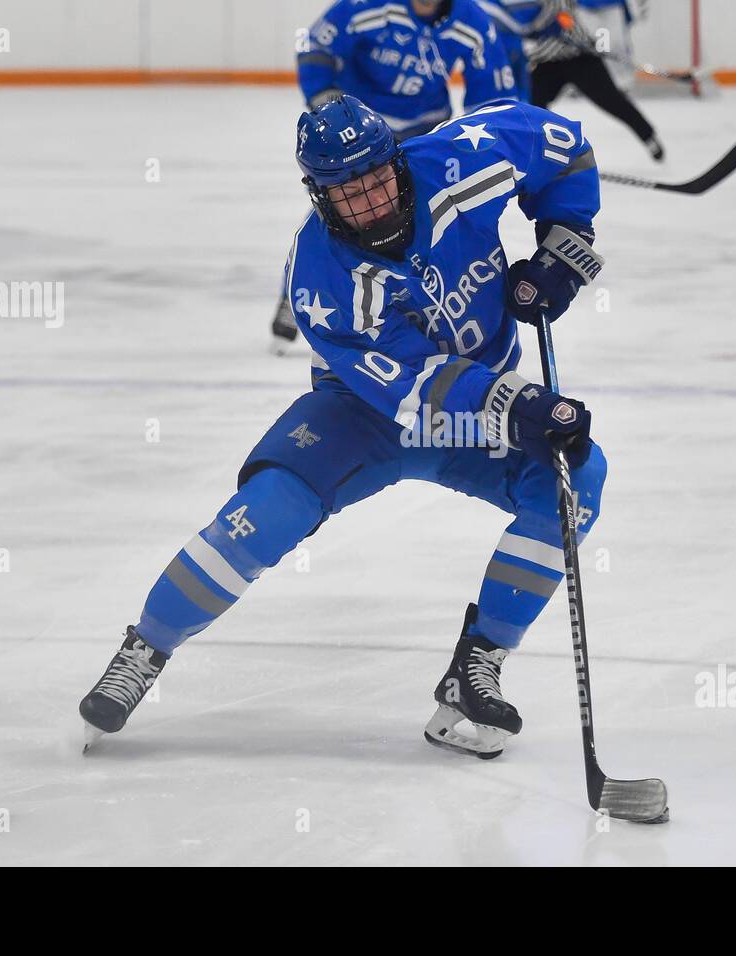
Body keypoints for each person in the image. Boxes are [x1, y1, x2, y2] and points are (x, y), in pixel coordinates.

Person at [81, 94, 608, 760]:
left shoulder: (460, 159)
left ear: (396, 159)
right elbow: (418, 386)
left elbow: (562, 145)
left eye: (378, 181)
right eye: (348, 194)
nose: (372, 203)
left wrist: (565, 241)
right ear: (318, 194)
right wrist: (523, 407)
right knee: (266, 511)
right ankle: (144, 650)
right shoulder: (319, 276)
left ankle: (477, 665)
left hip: (481, 407)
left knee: (575, 482)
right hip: (365, 412)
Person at [272, 0, 521, 353]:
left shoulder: (471, 19)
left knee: (432, 220)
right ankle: (294, 292)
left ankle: (433, 301)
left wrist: (488, 141)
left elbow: (494, 94)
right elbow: (316, 46)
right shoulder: (368, 7)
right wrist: (328, 103)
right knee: (344, 213)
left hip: (423, 139)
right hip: (361, 143)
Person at [485, 0, 665, 161]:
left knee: (613, 101)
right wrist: (528, 28)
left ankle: (648, 136)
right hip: (546, 64)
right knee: (534, 109)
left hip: (579, 59)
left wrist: (536, 26)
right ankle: (536, 153)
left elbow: (559, 13)